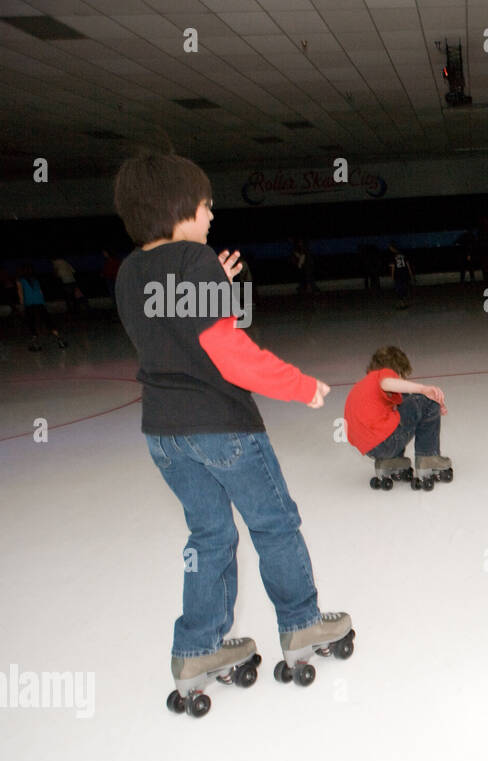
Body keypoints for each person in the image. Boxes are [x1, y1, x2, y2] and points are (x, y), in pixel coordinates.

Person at [112, 146, 351, 714]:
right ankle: (300, 625)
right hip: (222, 426)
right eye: (204, 204)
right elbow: (230, 355)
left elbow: (166, 328)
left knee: (209, 537)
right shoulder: (194, 262)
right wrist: (298, 385)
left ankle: (198, 647)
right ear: (177, 208)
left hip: (164, 434)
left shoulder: (127, 271)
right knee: (274, 524)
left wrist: (208, 282)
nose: (212, 215)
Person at [343, 345, 452, 487]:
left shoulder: (362, 387)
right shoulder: (383, 375)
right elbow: (387, 381)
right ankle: (428, 457)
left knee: (403, 400)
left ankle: (390, 460)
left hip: (371, 448)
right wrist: (424, 390)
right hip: (387, 442)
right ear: (397, 371)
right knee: (426, 400)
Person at [17, 264, 64, 350]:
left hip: (29, 303)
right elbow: (40, 292)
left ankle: (36, 344)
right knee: (47, 321)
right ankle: (60, 340)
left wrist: (22, 305)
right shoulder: (35, 280)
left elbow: (21, 294)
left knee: (31, 322)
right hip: (39, 302)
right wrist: (43, 302)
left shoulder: (20, 280)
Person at [388, 243, 413, 309]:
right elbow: (408, 265)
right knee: (404, 288)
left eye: (390, 248)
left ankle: (402, 304)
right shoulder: (403, 255)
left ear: (393, 248)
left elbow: (393, 267)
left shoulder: (393, 256)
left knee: (399, 289)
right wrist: (410, 274)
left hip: (398, 275)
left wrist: (392, 276)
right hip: (405, 274)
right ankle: (404, 303)